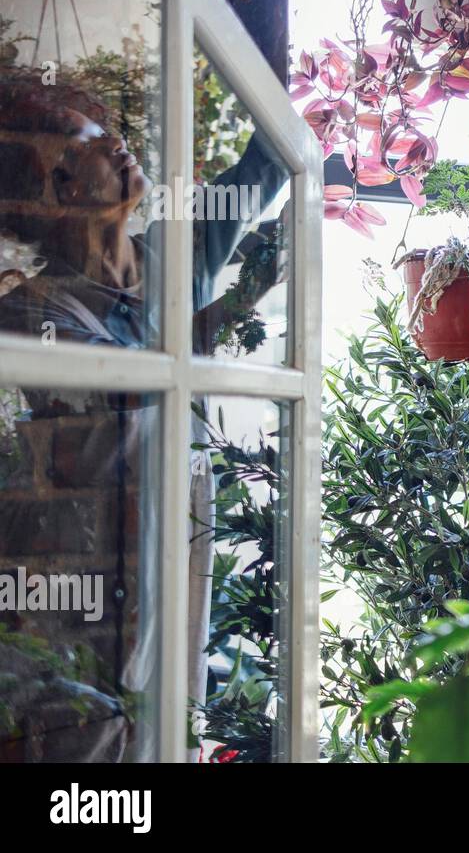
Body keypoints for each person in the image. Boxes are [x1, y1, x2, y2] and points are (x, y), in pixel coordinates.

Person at [0, 70, 288, 761]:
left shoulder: (173, 256)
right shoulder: (31, 310)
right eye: (94, 143)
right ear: (60, 187)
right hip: (82, 575)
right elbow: (119, 396)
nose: (121, 144)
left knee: (160, 726)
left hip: (169, 551)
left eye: (114, 133)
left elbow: (269, 160)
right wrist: (236, 305)